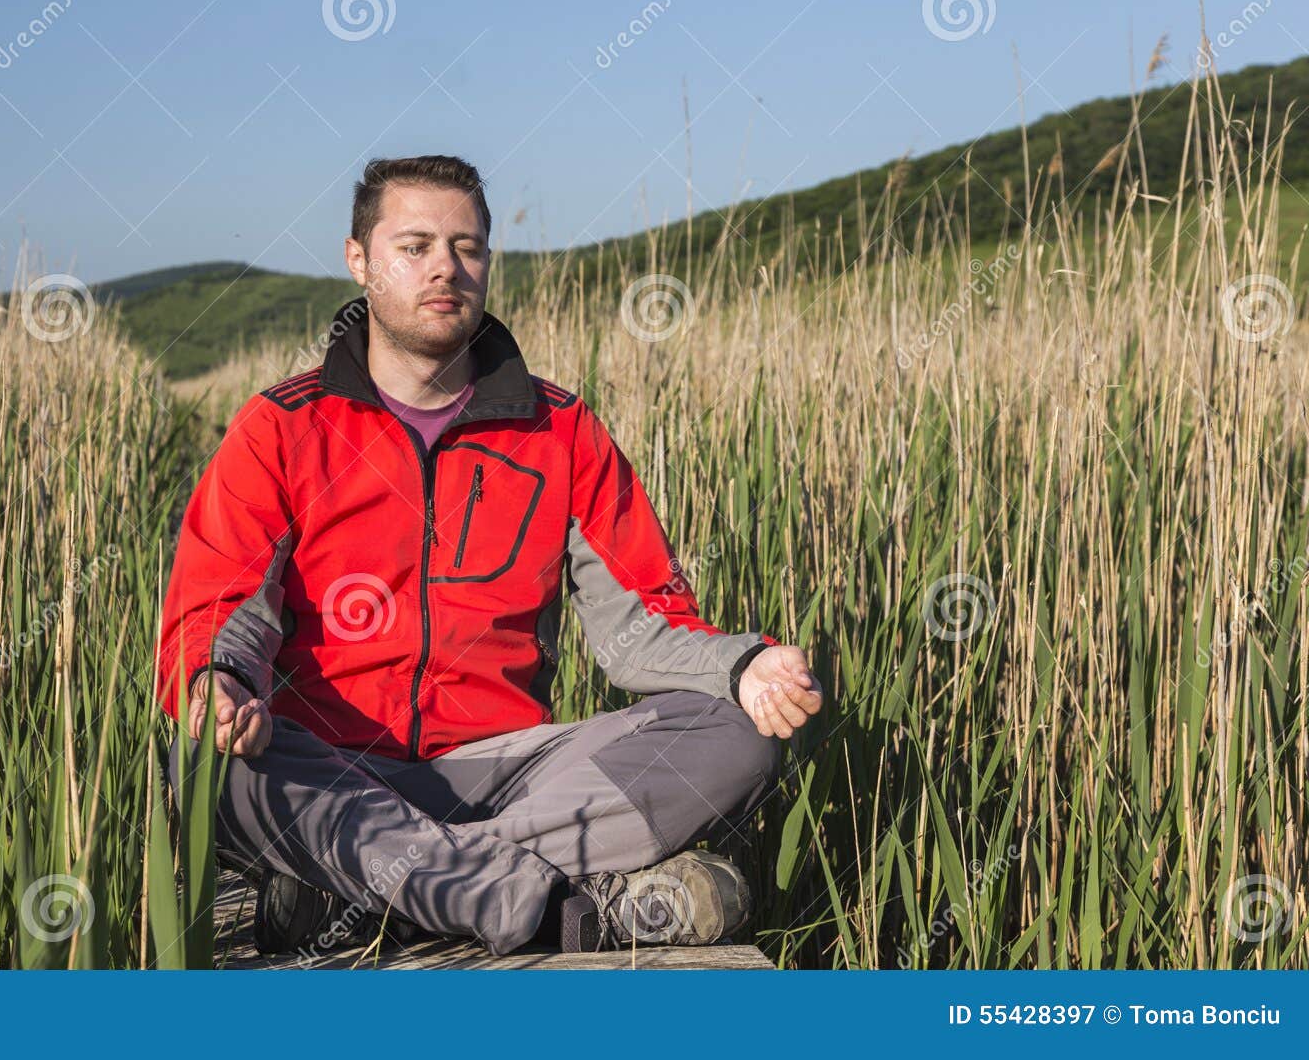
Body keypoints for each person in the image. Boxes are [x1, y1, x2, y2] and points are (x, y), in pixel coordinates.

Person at [158, 154, 823, 958]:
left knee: (733, 729)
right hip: (330, 769)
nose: (446, 266)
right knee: (208, 760)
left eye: (467, 247)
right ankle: (552, 909)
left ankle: (393, 893)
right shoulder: (282, 426)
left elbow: (639, 626)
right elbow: (226, 606)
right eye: (415, 245)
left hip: (507, 771)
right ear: (359, 260)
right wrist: (218, 682)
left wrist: (741, 666)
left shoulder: (562, 430)